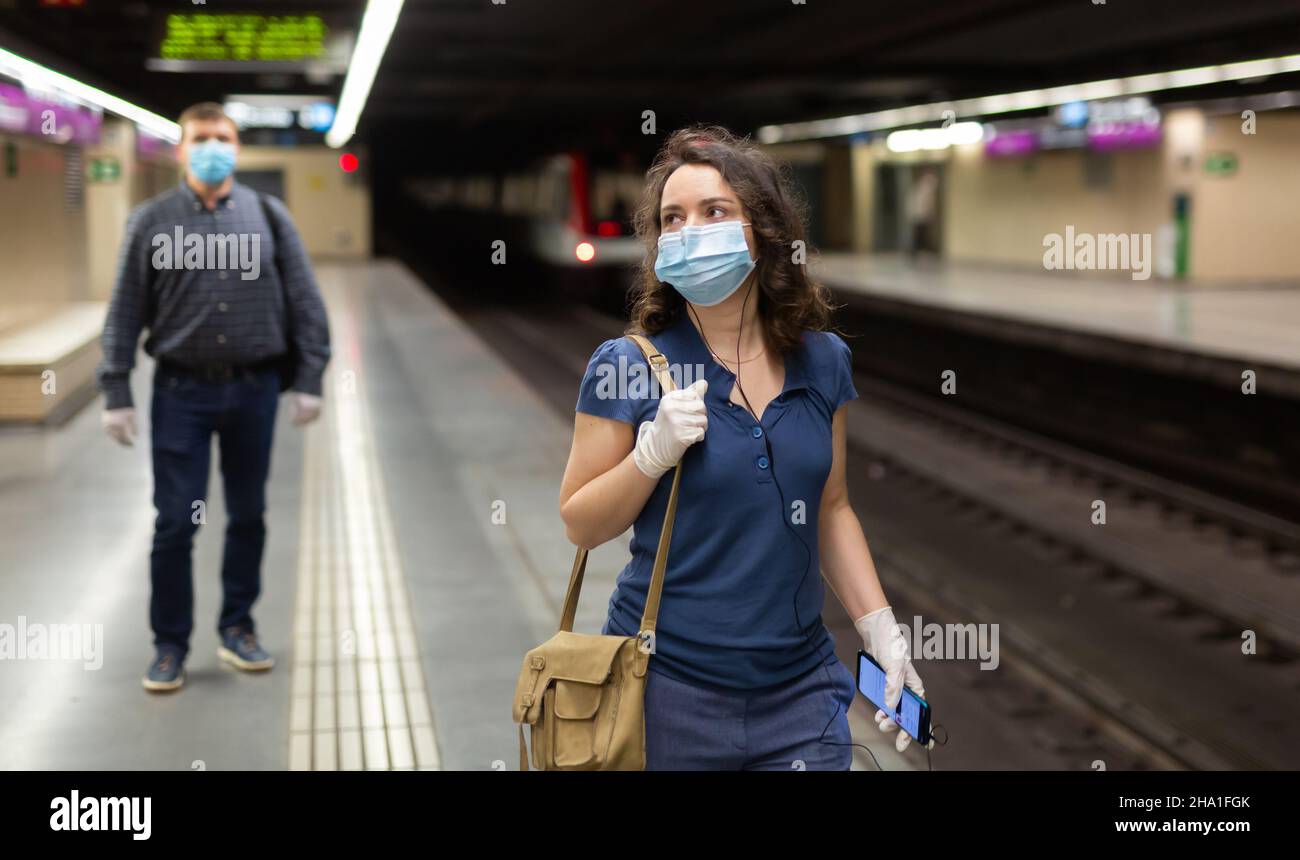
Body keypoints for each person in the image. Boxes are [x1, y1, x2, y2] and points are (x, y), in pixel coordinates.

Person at [560, 126, 930, 770]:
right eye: (672, 219)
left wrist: (881, 631)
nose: (690, 230)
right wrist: (649, 458)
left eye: (714, 212)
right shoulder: (625, 365)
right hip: (665, 692)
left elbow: (833, 507)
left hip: (803, 694)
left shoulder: (823, 360)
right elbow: (580, 522)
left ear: (761, 231)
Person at [96, 102, 331, 693]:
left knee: (248, 514)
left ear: (237, 146)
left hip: (253, 389)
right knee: (176, 521)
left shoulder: (269, 217)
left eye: (222, 137)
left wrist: (310, 378)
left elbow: (305, 300)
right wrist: (115, 388)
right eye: (200, 138)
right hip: (180, 392)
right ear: (180, 148)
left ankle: (238, 627)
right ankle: (169, 644)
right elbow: (125, 308)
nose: (212, 147)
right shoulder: (150, 221)